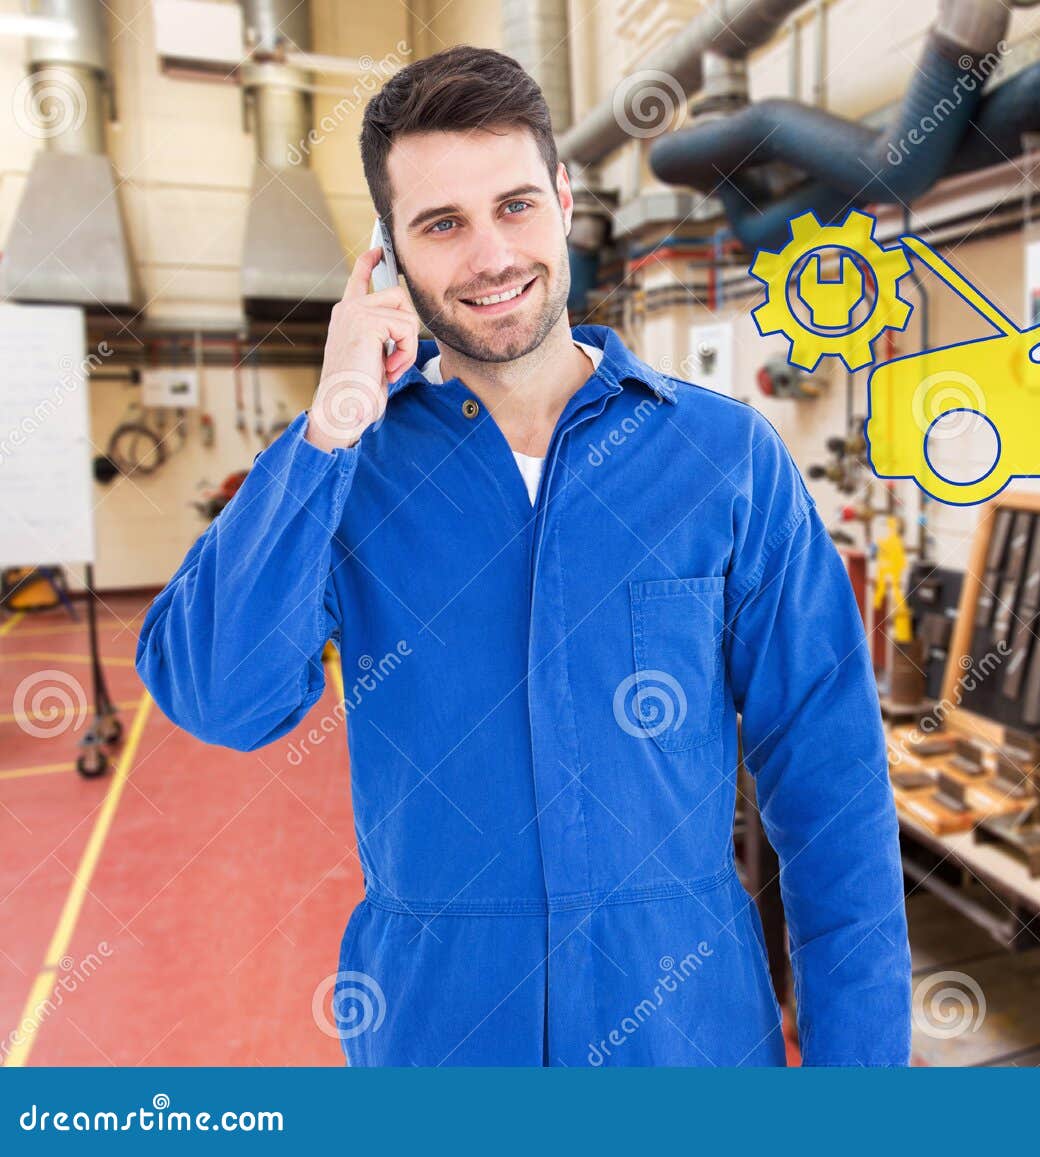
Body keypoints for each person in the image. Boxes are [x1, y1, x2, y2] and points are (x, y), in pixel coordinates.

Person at [135, 45, 910, 1067]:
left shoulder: (722, 461)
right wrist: (329, 423)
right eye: (441, 224)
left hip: (686, 1041)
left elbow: (832, 793)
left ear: (559, 197)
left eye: (512, 206)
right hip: (444, 1040)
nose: (492, 255)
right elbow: (219, 695)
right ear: (387, 256)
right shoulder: (352, 470)